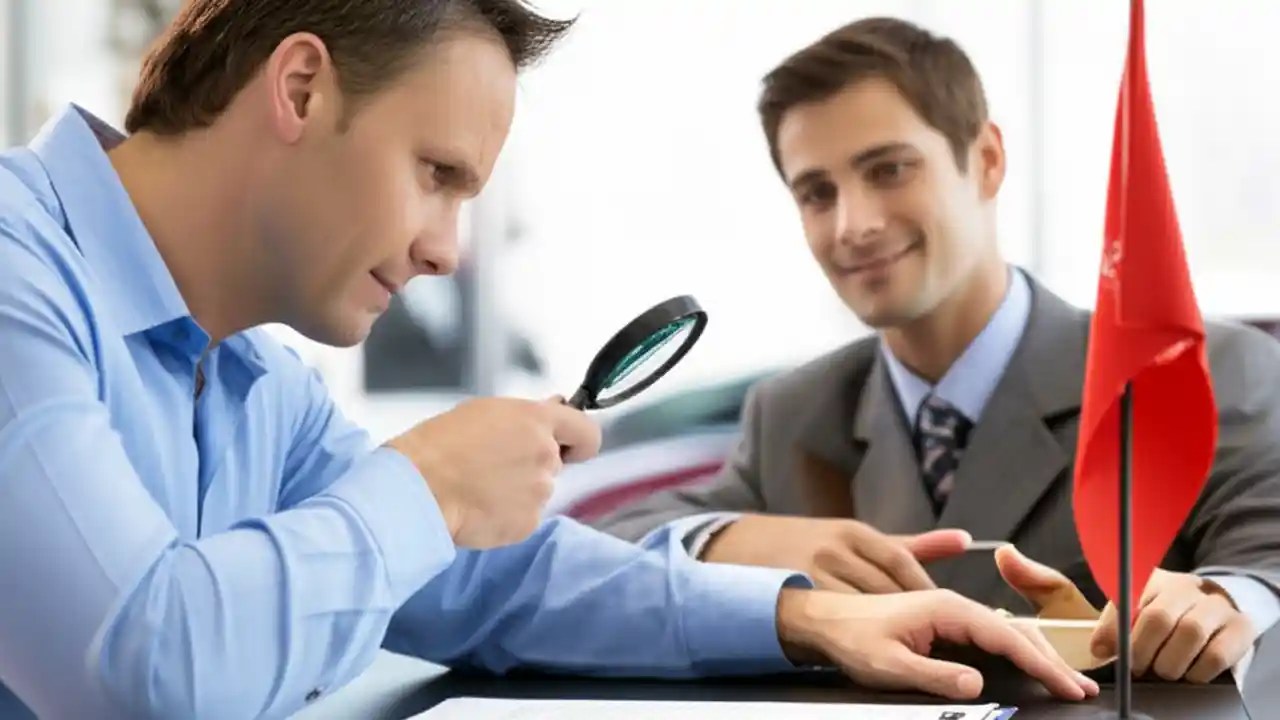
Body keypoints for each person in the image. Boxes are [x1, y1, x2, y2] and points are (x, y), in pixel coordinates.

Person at [0, 3, 1102, 718]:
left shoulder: (255, 381)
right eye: (436, 173)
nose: (446, 251)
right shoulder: (17, 273)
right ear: (298, 88)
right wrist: (428, 486)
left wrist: (803, 617)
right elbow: (136, 671)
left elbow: (494, 580)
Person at [591, 16, 1280, 685]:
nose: (853, 225)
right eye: (817, 193)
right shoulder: (796, 413)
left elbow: (1266, 560)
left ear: (986, 161)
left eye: (889, 170)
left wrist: (1224, 601)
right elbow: (601, 547)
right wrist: (748, 540)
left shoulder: (1195, 372)